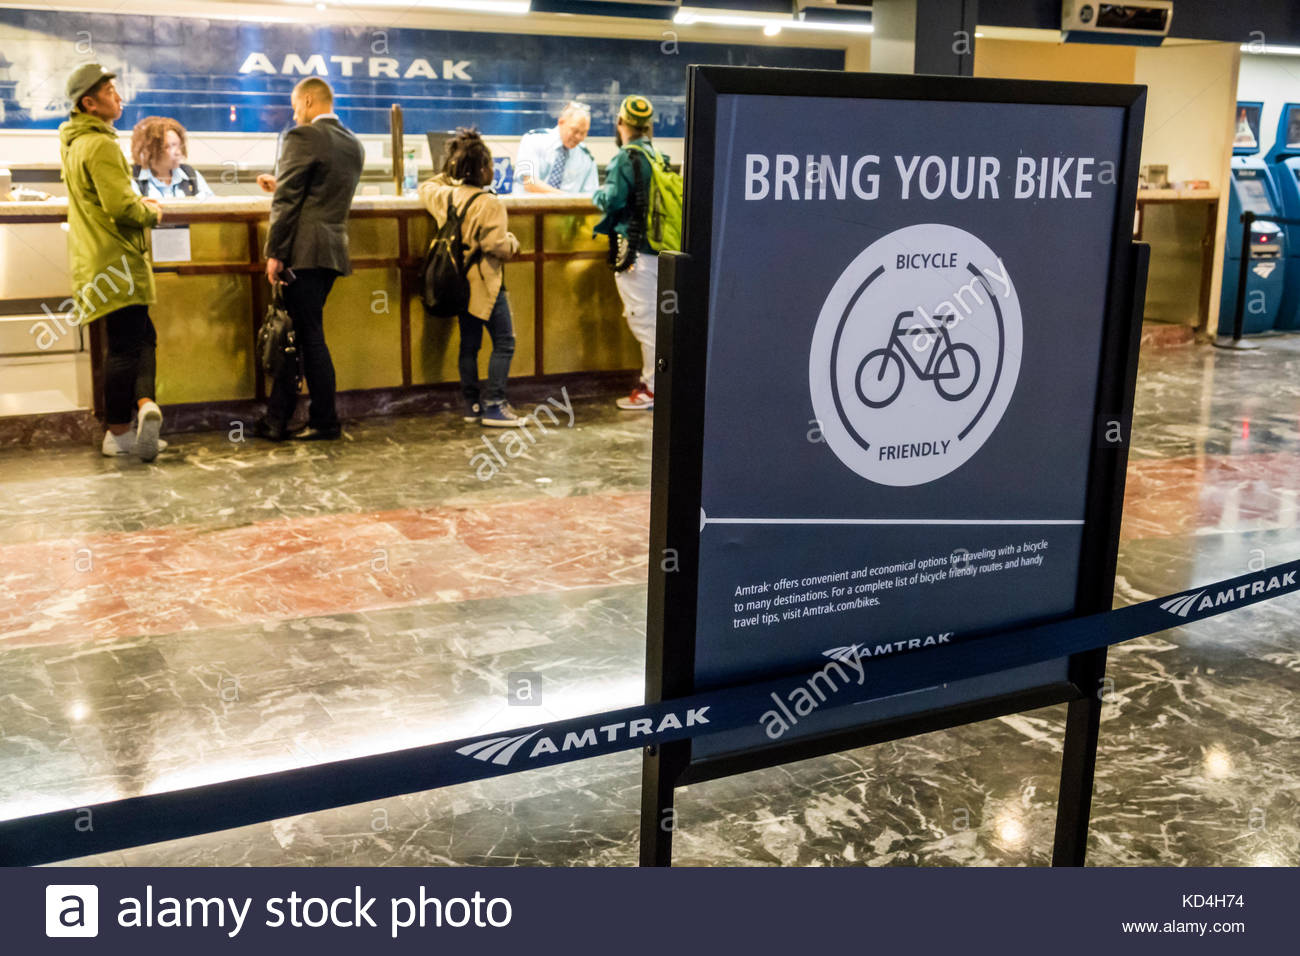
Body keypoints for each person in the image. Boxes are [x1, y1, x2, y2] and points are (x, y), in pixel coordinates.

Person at [59, 63, 168, 461]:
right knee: (125, 347)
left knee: (139, 338)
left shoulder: (73, 142)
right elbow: (121, 207)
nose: (118, 97)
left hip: (94, 259)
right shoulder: (101, 144)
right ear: (89, 103)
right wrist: (150, 212)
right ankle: (118, 431)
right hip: (117, 260)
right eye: (109, 91)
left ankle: (142, 410)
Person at [258, 77, 364, 442]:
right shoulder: (352, 142)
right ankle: (279, 418)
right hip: (332, 249)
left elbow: (289, 202)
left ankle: (324, 420)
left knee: (310, 336)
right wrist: (281, 183)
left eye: (294, 106)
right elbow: (319, 190)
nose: (293, 114)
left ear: (307, 101)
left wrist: (275, 254)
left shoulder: (302, 137)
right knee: (305, 334)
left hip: (302, 252)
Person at [418, 128, 524, 427]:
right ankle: (495, 405)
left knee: (470, 344)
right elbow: (496, 246)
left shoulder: (446, 196)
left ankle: (471, 405)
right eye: (489, 164)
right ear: (480, 169)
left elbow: (427, 186)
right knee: (504, 341)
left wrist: (450, 172)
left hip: (459, 286)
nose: (492, 169)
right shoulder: (490, 203)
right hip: (486, 285)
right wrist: (514, 242)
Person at [593, 94, 659, 411]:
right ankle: (660, 383)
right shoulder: (655, 157)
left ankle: (652, 388)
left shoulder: (624, 158)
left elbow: (613, 200)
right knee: (657, 319)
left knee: (644, 321)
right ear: (649, 127)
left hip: (636, 252)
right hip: (660, 249)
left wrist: (597, 193)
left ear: (621, 124)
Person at [512, 102, 598, 195]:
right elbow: (529, 183)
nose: (579, 137)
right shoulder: (532, 141)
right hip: (529, 208)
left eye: (584, 132)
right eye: (575, 131)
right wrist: (566, 199)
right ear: (561, 122)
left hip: (568, 209)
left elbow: (591, 195)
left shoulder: (586, 158)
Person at [129, 116, 214, 199]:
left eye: (179, 146)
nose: (178, 152)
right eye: (170, 146)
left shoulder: (190, 175)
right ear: (150, 150)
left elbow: (212, 206)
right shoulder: (133, 178)